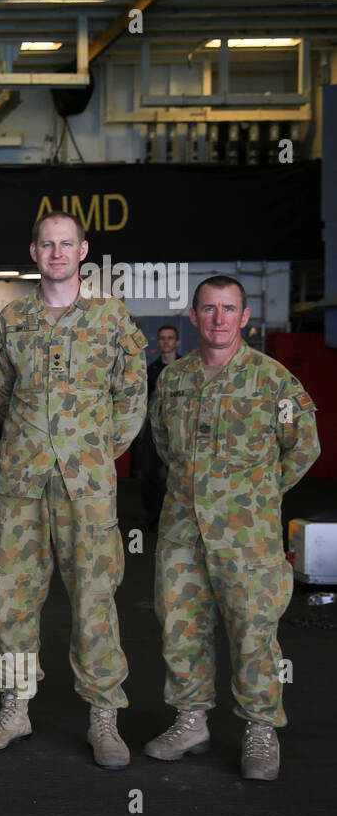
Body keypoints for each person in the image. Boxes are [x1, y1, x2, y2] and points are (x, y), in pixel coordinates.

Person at [0, 211, 147, 769]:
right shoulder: (13, 320)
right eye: (46, 244)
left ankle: (103, 716)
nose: (56, 253)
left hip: (87, 488)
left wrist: (96, 451)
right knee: (11, 601)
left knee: (95, 604)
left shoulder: (109, 317)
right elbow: (0, 393)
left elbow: (132, 396)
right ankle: (14, 708)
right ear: (33, 253)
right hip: (21, 482)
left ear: (83, 251)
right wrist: (30, 444)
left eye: (66, 244)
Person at [145, 276, 318, 780]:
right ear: (194, 316)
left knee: (253, 634)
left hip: (248, 538)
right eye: (209, 309)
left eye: (229, 309)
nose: (219, 319)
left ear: (245, 317)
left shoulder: (273, 381)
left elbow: (304, 447)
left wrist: (260, 497)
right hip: (182, 531)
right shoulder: (173, 381)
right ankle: (191, 719)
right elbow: (163, 442)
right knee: (180, 629)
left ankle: (261, 730)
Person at [134, 325, 180, 530]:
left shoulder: (186, 368)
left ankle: (179, 518)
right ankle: (154, 514)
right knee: (148, 472)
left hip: (181, 431)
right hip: (156, 430)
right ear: (158, 342)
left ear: (176, 342)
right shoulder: (151, 371)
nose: (166, 341)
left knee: (181, 475)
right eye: (162, 338)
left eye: (170, 338)